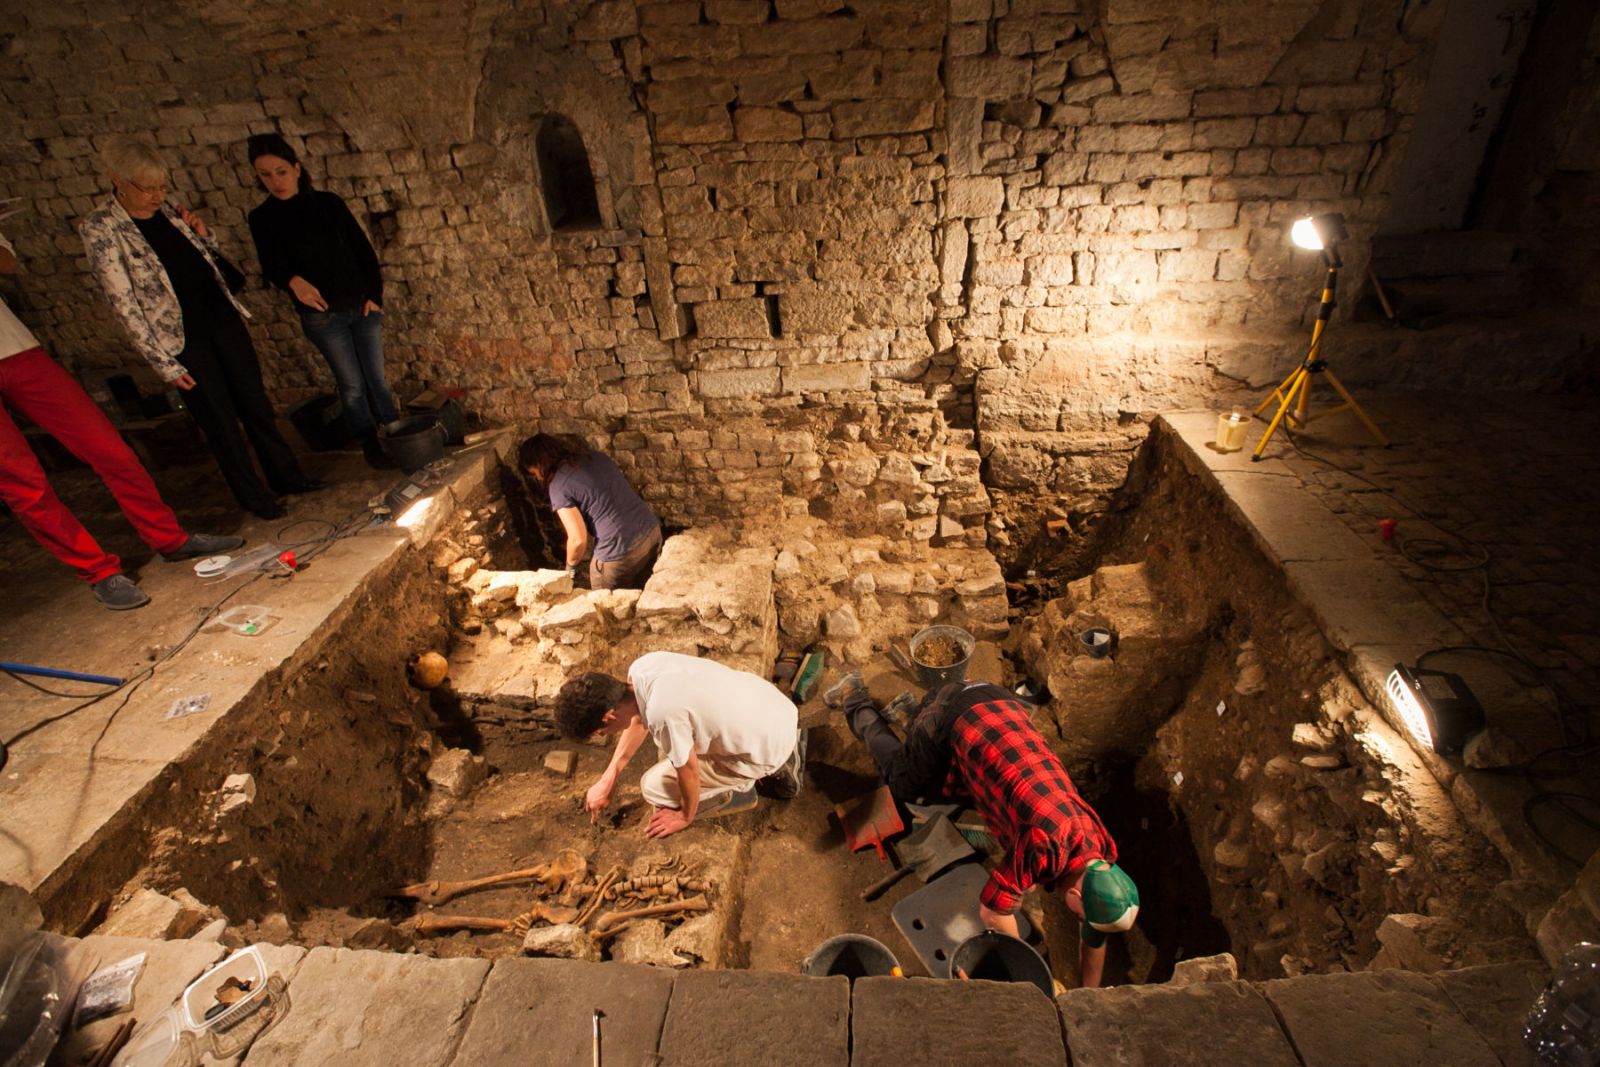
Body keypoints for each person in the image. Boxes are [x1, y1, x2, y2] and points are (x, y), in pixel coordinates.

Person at [830, 673, 1139, 988]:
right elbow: (992, 913)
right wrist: (1025, 976)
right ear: (1075, 895)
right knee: (903, 784)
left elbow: (1093, 939)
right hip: (956, 711)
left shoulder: (1099, 847)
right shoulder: (1043, 842)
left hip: (998, 703)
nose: (1084, 924)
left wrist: (1087, 994)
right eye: (1083, 918)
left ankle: (915, 719)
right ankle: (855, 699)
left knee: (946, 783)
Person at [1, 222, 244, 610]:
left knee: (109, 449)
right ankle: (97, 570)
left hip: (16, 349)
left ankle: (169, 538)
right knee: (23, 483)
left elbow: (7, 264)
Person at [79, 136, 322, 521]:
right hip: (181, 338)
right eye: (147, 188)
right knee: (220, 421)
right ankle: (255, 496)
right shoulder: (101, 227)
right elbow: (122, 302)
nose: (158, 195)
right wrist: (164, 363)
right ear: (117, 179)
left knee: (255, 404)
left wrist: (205, 236)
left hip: (220, 318)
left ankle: (287, 477)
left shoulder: (171, 210)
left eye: (162, 185)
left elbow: (204, 259)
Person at [245, 134, 398, 470]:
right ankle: (369, 443)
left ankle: (397, 432)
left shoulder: (328, 204)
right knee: (352, 385)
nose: (275, 181)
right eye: (265, 174)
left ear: (297, 168)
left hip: (360, 305)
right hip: (323, 316)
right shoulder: (263, 218)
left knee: (376, 379)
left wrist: (374, 296)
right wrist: (291, 280)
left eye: (280, 171)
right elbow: (272, 264)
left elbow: (362, 251)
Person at [555, 651, 807, 838]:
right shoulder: (642, 669)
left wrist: (684, 816)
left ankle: (745, 785)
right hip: (774, 705)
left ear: (608, 717)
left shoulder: (662, 714)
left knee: (653, 788)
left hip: (769, 747)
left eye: (601, 733)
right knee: (671, 743)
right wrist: (609, 777)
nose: (604, 735)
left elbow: (689, 771)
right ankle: (785, 743)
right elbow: (638, 720)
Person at [519, 433, 662, 590]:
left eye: (535, 473)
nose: (539, 478)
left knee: (606, 606)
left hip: (620, 550)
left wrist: (569, 570)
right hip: (651, 531)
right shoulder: (594, 456)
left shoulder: (558, 486)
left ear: (541, 464)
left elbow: (577, 540)